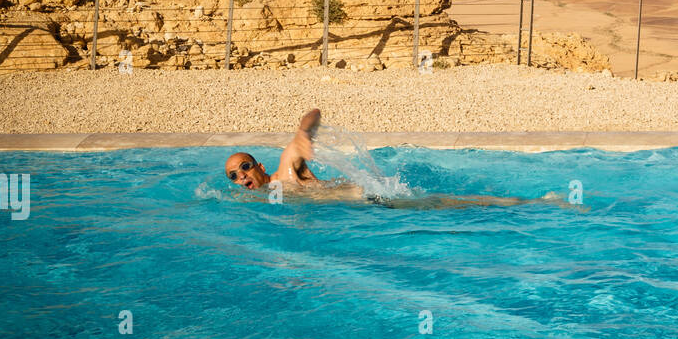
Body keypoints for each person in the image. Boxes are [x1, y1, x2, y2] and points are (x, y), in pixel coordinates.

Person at [224, 108, 569, 209]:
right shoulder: (260, 198)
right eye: (234, 176)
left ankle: (539, 203)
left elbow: (311, 116)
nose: (241, 176)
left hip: (373, 198)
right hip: (373, 201)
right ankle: (531, 203)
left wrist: (302, 132)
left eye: (245, 166)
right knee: (450, 204)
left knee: (457, 204)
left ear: (260, 167)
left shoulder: (285, 171)